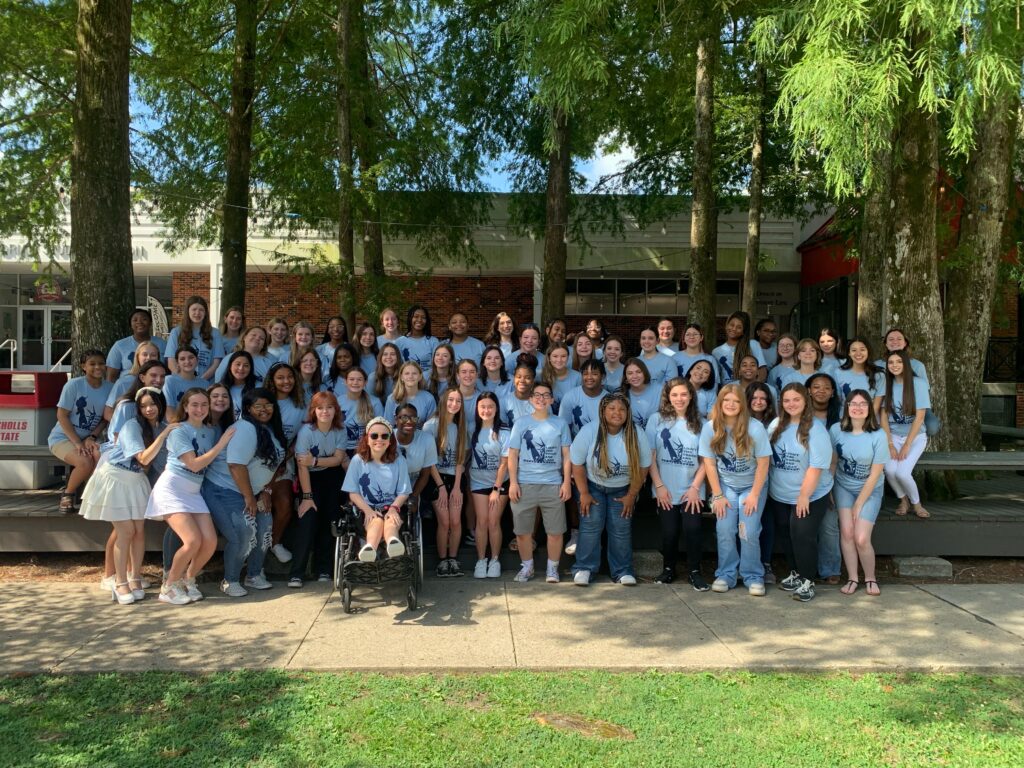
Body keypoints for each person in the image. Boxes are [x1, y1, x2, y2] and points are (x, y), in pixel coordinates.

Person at [80, 388, 177, 604]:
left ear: (161, 405)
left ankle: (135, 578)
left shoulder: (161, 426)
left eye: (153, 404)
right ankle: (120, 582)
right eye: (143, 406)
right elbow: (143, 458)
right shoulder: (132, 426)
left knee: (139, 531)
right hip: (116, 477)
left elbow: (161, 463)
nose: (149, 409)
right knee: (126, 531)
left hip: (136, 480)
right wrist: (163, 434)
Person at [145, 388, 234, 605]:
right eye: (194, 404)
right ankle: (168, 587)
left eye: (204, 404)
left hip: (194, 492)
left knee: (210, 542)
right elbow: (194, 464)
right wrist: (222, 443)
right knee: (192, 541)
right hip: (173, 489)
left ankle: (188, 579)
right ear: (185, 406)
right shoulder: (178, 431)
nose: (200, 409)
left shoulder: (210, 431)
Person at [201, 388, 285, 596]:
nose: (264, 410)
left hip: (255, 491)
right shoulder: (245, 428)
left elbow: (276, 464)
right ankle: (230, 580)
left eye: (268, 405)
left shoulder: (271, 429)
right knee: (244, 532)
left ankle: (254, 575)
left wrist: (265, 491)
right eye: (258, 406)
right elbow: (236, 466)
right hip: (225, 490)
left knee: (265, 528)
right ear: (248, 408)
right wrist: (249, 498)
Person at [570, 393, 651, 585]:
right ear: (603, 411)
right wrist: (584, 493)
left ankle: (622, 571)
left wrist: (632, 494)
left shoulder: (636, 433)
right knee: (591, 526)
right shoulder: (590, 431)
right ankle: (584, 568)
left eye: (622, 409)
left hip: (623, 488)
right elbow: (577, 464)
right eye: (612, 408)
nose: (617, 413)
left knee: (620, 529)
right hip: (592, 486)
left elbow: (643, 466)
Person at [699, 383, 771, 596]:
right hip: (726, 486)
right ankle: (726, 574)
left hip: (752, 485)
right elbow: (709, 463)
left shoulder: (755, 427)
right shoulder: (709, 427)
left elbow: (764, 463)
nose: (731, 404)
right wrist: (718, 495)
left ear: (743, 404)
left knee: (748, 529)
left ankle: (753, 575)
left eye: (736, 401)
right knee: (724, 528)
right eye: (726, 400)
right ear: (720, 403)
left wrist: (755, 495)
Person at [766, 383, 834, 603]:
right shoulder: (776, 425)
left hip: (810, 495)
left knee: (802, 536)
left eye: (796, 399)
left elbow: (817, 466)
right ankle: (795, 573)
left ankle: (808, 581)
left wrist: (804, 496)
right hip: (780, 494)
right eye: (786, 400)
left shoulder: (816, 428)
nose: (791, 404)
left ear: (805, 401)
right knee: (786, 533)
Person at [507, 381, 572, 583]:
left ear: (552, 399)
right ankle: (527, 567)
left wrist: (566, 483)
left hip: (552, 483)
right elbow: (512, 455)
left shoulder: (560, 423)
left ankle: (553, 569)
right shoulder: (521, 423)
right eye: (537, 394)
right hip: (525, 483)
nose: (541, 398)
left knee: (555, 531)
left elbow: (567, 456)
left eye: (545, 395)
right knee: (523, 531)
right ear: (530, 399)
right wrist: (513, 483)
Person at [647, 378, 708, 590]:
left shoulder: (702, 422)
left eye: (683, 394)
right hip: (665, 488)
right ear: (668, 397)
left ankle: (694, 572)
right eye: (674, 395)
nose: (679, 399)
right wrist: (659, 486)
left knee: (693, 529)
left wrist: (694, 489)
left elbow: (706, 461)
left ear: (691, 396)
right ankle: (668, 569)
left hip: (693, 489)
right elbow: (650, 457)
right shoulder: (656, 420)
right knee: (669, 532)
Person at [831, 389, 888, 597]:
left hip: (870, 489)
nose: (857, 408)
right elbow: (833, 462)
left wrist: (858, 504)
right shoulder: (836, 430)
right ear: (846, 407)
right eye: (853, 404)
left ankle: (870, 577)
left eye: (863, 404)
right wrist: (829, 488)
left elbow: (875, 474)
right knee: (846, 533)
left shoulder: (878, 434)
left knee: (862, 538)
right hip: (843, 486)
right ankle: (853, 578)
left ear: (869, 409)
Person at [291, 392, 349, 587]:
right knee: (307, 521)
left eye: (329, 407)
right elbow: (302, 465)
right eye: (320, 408)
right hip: (309, 479)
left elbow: (338, 459)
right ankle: (296, 573)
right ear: (313, 411)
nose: (325, 411)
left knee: (330, 520)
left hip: (332, 477)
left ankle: (323, 569)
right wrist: (307, 497)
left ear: (336, 410)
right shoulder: (306, 431)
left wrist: (315, 460)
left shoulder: (340, 430)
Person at [49, 348, 113, 512]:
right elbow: (62, 416)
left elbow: (104, 418)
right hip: (63, 438)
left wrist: (92, 437)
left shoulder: (110, 388)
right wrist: (77, 443)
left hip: (88, 438)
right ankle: (68, 494)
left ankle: (94, 498)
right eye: (92, 364)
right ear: (83, 366)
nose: (97, 367)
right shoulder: (74, 385)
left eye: (101, 363)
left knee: (101, 457)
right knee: (85, 462)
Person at [342, 416, 412, 562]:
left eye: (384, 436)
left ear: (390, 440)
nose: (379, 439)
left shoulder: (399, 461)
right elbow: (352, 492)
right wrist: (367, 510)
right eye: (374, 435)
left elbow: (404, 491)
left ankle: (393, 543)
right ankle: (370, 549)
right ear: (367, 439)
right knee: (376, 521)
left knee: (390, 520)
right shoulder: (358, 460)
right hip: (366, 509)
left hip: (392, 507)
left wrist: (394, 508)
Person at [879, 350, 931, 518]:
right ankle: (903, 500)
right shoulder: (885, 384)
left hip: (915, 437)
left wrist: (907, 444)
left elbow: (920, 416)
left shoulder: (918, 383)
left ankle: (917, 504)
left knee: (902, 472)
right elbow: (884, 418)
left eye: (899, 362)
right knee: (889, 470)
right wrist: (890, 444)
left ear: (906, 364)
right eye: (891, 362)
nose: (894, 365)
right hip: (893, 436)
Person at [424, 389, 469, 576]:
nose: (454, 404)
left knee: (456, 521)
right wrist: (442, 487)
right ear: (443, 401)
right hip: (436, 478)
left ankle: (453, 559)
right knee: (444, 521)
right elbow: (430, 460)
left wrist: (457, 487)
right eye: (450, 400)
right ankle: (442, 562)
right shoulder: (431, 426)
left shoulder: (460, 426)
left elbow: (460, 459)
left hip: (455, 478)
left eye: (458, 401)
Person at [264, 362, 305, 564]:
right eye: (280, 377)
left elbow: (301, 436)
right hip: (260, 462)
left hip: (285, 461)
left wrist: (285, 458)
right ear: (272, 380)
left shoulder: (300, 405)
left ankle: (274, 542)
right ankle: (257, 550)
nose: (286, 381)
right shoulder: (263, 402)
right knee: (263, 505)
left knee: (285, 505)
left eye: (289, 377)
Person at [469, 393, 510, 578]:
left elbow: (504, 463)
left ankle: (494, 559)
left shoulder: (504, 431)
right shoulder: (472, 429)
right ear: (477, 409)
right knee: (482, 521)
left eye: (490, 406)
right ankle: (481, 560)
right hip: (478, 482)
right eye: (482, 407)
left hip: (499, 484)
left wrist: (496, 488)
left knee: (494, 521)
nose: (486, 410)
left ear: (496, 409)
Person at [165, 295, 223, 381]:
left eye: (201, 310)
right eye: (194, 309)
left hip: (206, 383)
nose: (197, 313)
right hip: (181, 382)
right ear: (187, 311)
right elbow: (171, 361)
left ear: (206, 313)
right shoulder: (176, 332)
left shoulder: (215, 333)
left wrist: (200, 381)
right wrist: (185, 380)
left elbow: (216, 363)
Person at [105, 308, 167, 381]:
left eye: (144, 319)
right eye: (135, 320)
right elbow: (111, 376)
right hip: (127, 388)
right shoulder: (120, 345)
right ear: (131, 325)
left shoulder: (163, 344)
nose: (139, 322)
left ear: (150, 323)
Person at [394, 403, 438, 499]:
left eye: (414, 418)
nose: (409, 421)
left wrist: (413, 497)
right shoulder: (386, 438)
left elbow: (425, 474)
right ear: (396, 419)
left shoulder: (427, 440)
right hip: (390, 490)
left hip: (414, 488)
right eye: (404, 418)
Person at [712, 311, 766, 385]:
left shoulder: (752, 344)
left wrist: (753, 390)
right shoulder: (716, 352)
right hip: (728, 393)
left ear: (743, 331)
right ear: (727, 325)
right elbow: (716, 378)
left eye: (739, 327)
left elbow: (762, 371)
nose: (734, 329)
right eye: (731, 325)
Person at [339, 367, 384, 450]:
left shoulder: (375, 402)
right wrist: (343, 457)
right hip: (342, 450)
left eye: (359, 379)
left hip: (367, 448)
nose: (355, 382)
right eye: (351, 379)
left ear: (365, 382)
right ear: (345, 382)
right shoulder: (338, 402)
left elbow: (380, 430)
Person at [560, 358, 607, 437]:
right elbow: (564, 427)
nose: (589, 377)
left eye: (594, 374)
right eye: (585, 374)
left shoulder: (609, 399)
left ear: (602, 376)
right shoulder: (570, 396)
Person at [836, 336, 885, 406]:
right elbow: (838, 401)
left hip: (870, 416)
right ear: (849, 353)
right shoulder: (839, 372)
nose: (858, 353)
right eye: (854, 350)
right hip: (845, 416)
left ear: (868, 351)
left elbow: (876, 406)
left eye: (862, 350)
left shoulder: (879, 375)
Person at [541, 342, 580, 416]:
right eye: (555, 356)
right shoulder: (541, 376)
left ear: (568, 357)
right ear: (549, 358)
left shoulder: (577, 377)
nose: (559, 360)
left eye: (563, 356)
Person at [398, 304, 438, 373]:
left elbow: (437, 367)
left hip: (428, 382)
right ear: (410, 318)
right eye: (416, 316)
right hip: (407, 382)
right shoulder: (400, 342)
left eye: (423, 317)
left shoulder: (433, 341)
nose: (419, 320)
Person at [622, 358, 660, 430]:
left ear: (644, 373)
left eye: (638, 372)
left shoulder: (659, 390)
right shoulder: (622, 395)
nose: (635, 376)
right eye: (630, 373)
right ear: (626, 378)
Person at [500, 357, 538, 428]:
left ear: (533, 381)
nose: (522, 381)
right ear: (514, 379)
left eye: (527, 378)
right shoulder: (504, 402)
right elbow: (502, 430)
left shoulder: (540, 402)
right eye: (519, 377)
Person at [219, 350, 257, 418]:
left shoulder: (257, 387)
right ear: (230, 366)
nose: (241, 368)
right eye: (238, 364)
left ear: (250, 368)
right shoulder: (220, 387)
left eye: (246, 365)